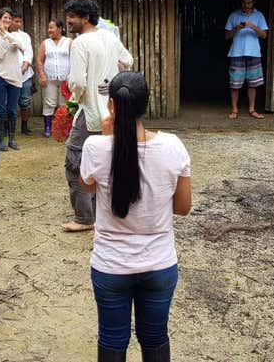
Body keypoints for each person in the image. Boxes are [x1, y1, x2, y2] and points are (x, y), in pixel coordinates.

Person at [80, 71, 191, 362]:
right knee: (155, 337)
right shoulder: (173, 146)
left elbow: (87, 187)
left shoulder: (95, 147)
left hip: (110, 266)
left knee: (112, 338)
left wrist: (107, 139)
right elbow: (182, 207)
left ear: (112, 106)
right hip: (159, 264)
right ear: (145, 105)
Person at [64, 0, 133, 233]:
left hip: (90, 112)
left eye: (72, 16)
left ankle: (84, 218)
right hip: (112, 110)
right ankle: (108, 210)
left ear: (85, 18)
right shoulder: (110, 37)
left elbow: (77, 81)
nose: (68, 21)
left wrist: (76, 97)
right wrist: (111, 83)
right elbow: (128, 61)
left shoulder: (80, 43)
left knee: (75, 161)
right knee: (108, 158)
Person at [224, 0, 269, 120]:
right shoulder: (234, 15)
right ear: (241, 3)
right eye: (244, 3)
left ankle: (252, 110)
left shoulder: (259, 15)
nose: (246, 5)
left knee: (253, 84)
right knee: (235, 83)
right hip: (236, 53)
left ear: (253, 3)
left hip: (254, 53)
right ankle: (234, 110)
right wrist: (236, 29)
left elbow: (264, 35)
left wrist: (253, 27)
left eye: (249, 3)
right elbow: (227, 36)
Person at [0, 8, 24, 151]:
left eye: (9, 18)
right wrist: (4, 37)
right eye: (4, 18)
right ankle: (0, 140)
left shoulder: (16, 36)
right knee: (0, 109)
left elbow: (20, 46)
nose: (7, 20)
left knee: (12, 110)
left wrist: (7, 34)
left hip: (15, 77)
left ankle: (12, 139)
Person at [36, 19, 71, 137]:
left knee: (64, 103)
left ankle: (63, 128)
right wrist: (42, 76)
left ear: (59, 29)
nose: (49, 30)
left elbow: (75, 59)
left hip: (66, 79)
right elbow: (39, 60)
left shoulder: (69, 42)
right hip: (49, 79)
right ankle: (48, 127)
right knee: (49, 102)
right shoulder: (45, 43)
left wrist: (72, 76)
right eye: (49, 28)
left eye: (51, 27)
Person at [9, 13, 35, 136]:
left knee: (25, 101)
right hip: (9, 74)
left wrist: (24, 68)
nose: (18, 24)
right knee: (10, 102)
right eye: (16, 21)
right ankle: (9, 128)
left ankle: (24, 126)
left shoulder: (25, 36)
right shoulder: (4, 35)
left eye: (20, 21)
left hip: (25, 74)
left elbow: (28, 52)